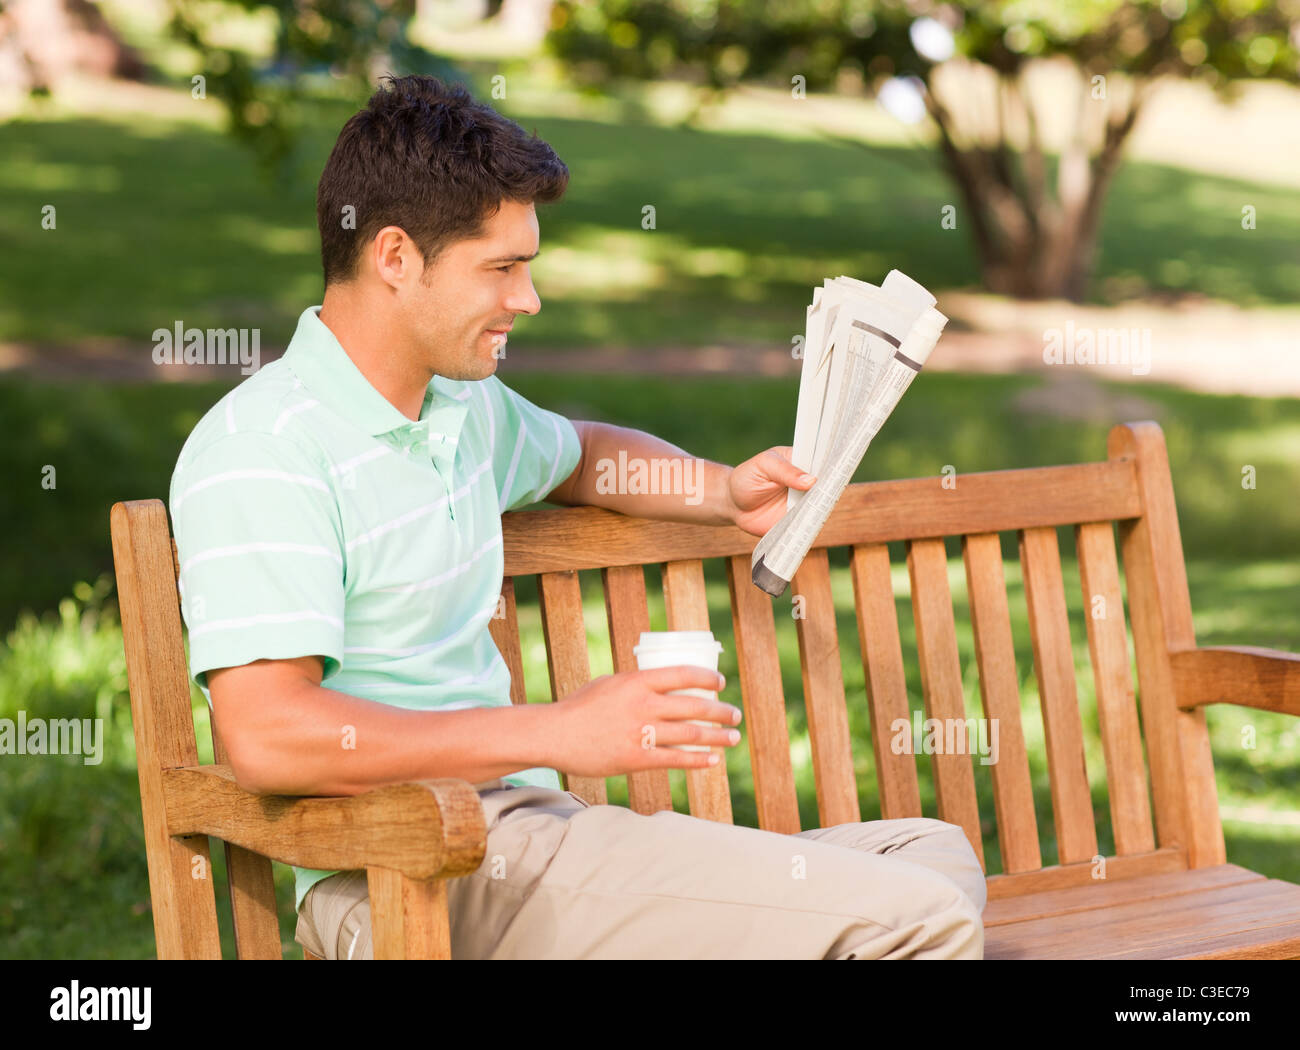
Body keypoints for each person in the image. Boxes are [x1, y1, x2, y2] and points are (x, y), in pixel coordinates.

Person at [169, 74, 986, 960]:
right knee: (922, 919)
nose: (528, 299)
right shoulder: (264, 451)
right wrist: (562, 729)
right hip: (411, 868)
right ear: (395, 257)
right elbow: (263, 734)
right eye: (503, 268)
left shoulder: (456, 409)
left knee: (932, 860)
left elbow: (587, 454)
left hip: (528, 837)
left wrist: (720, 489)